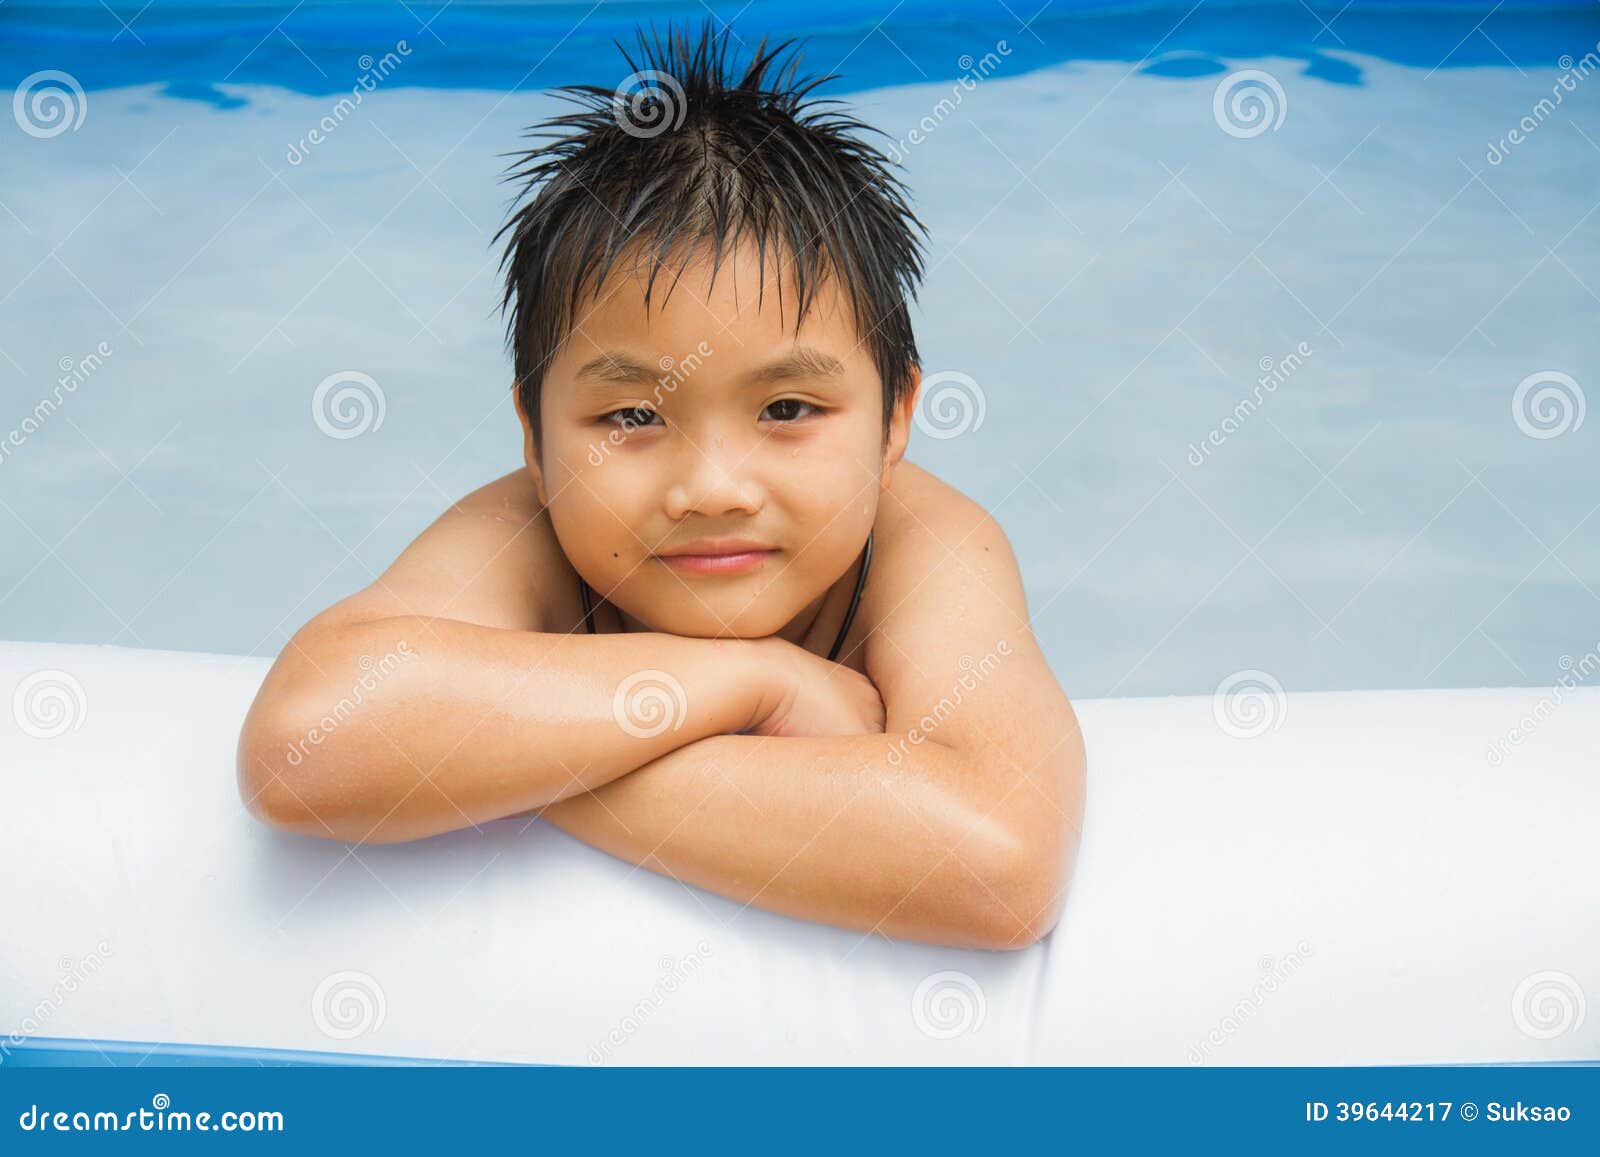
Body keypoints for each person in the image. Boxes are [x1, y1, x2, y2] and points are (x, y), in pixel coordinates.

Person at [237, 19, 1085, 951]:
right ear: (533, 432)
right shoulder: (527, 534)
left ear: (895, 420)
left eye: (790, 409)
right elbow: (302, 744)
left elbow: (1001, 867)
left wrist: (525, 766)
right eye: (633, 418)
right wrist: (754, 682)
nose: (713, 488)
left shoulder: (924, 544)